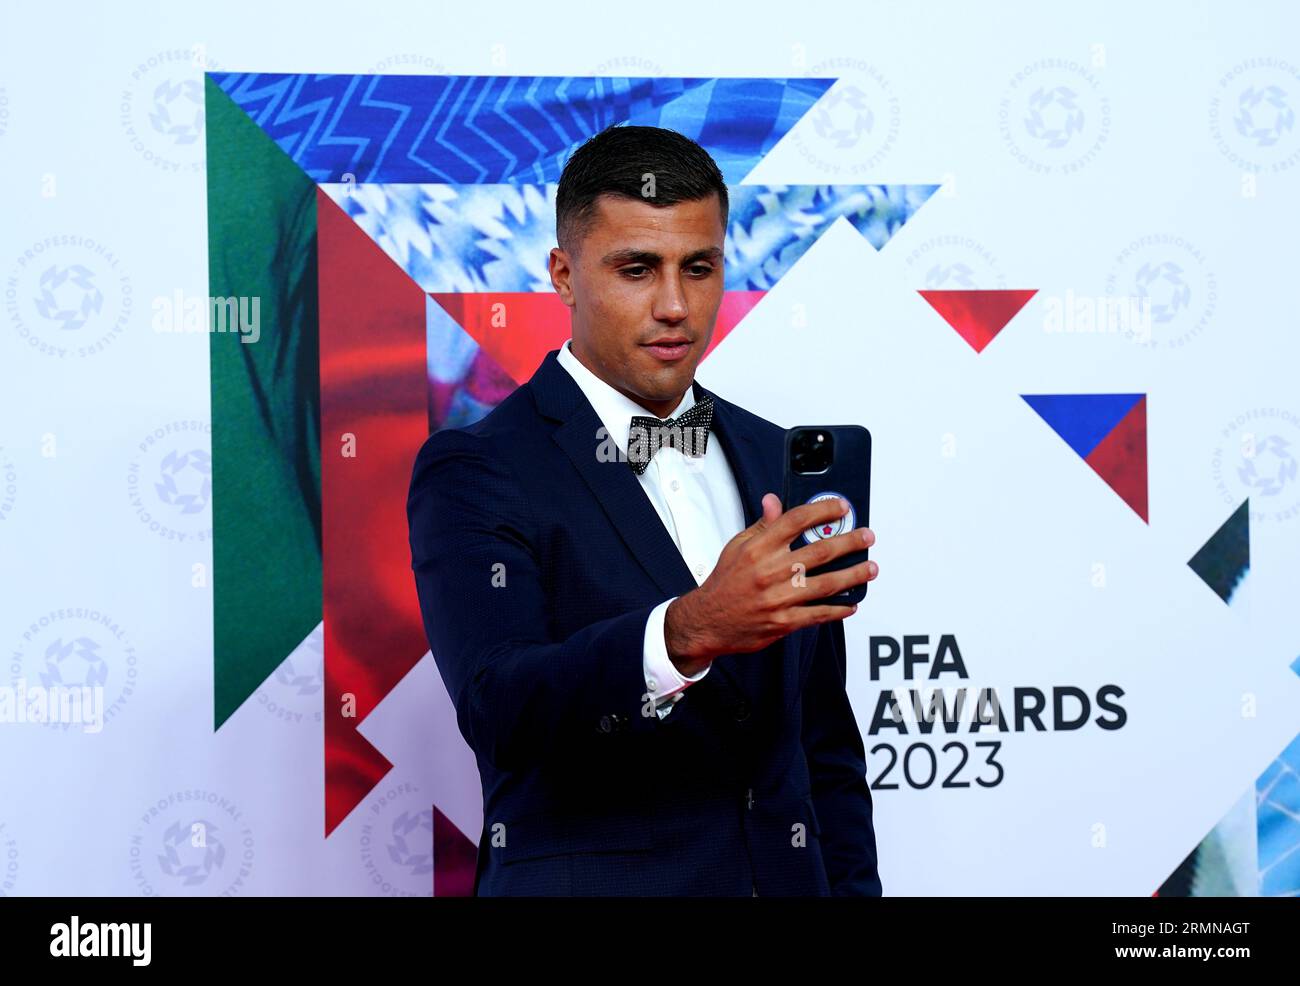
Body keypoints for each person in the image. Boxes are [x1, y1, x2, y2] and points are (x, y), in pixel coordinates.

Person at [407, 124, 881, 896]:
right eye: (636, 269)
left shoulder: (771, 456)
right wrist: (688, 629)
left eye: (699, 268)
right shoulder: (478, 467)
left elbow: (825, 748)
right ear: (563, 274)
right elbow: (500, 709)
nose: (674, 304)